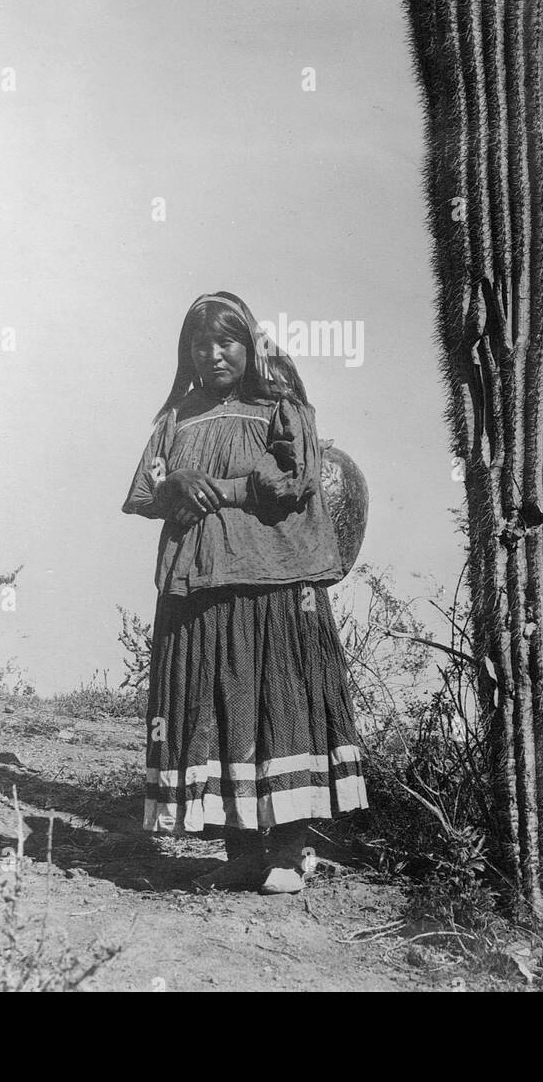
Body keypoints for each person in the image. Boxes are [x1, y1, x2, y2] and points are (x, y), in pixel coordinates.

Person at [122, 291, 368, 893]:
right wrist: (177, 479)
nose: (213, 354)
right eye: (201, 344)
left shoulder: (279, 407)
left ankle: (288, 851)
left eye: (226, 340)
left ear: (249, 343)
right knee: (217, 707)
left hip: (272, 581)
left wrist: (224, 491)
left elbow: (296, 480)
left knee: (276, 705)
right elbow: (144, 493)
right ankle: (240, 850)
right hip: (200, 582)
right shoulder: (176, 419)